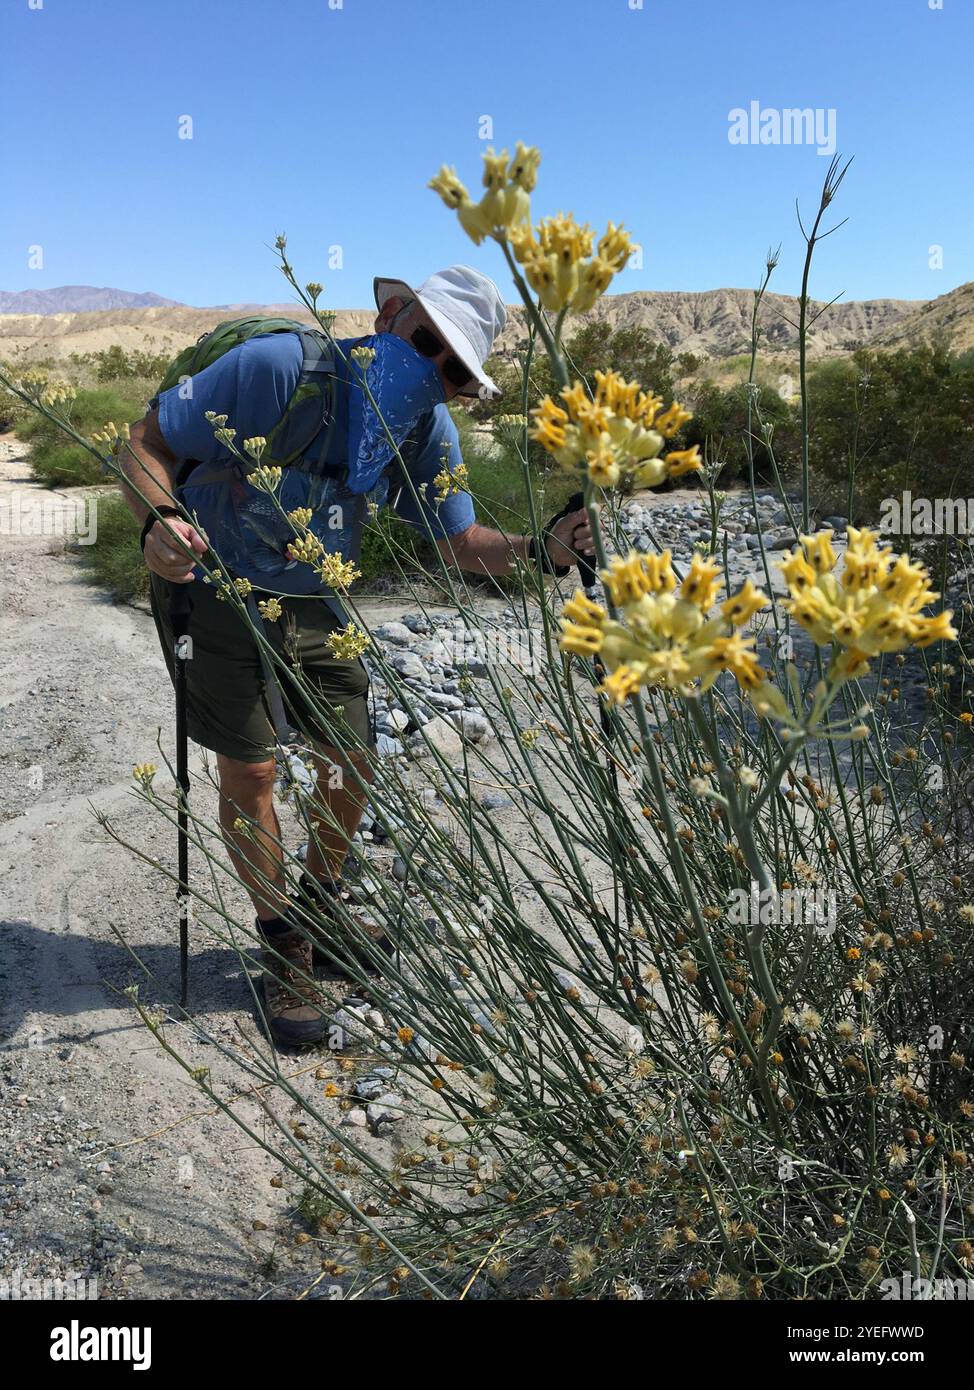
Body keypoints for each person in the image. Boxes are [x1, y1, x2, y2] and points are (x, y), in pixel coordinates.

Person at [120, 264, 593, 1045]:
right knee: (253, 770)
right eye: (427, 340)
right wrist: (158, 520)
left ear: (462, 391)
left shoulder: (425, 430)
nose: (433, 368)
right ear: (391, 316)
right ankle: (284, 943)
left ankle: (322, 902)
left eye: (454, 370)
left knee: (351, 757)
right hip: (214, 588)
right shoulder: (279, 369)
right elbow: (147, 441)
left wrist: (545, 551)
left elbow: (459, 543)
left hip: (317, 596)